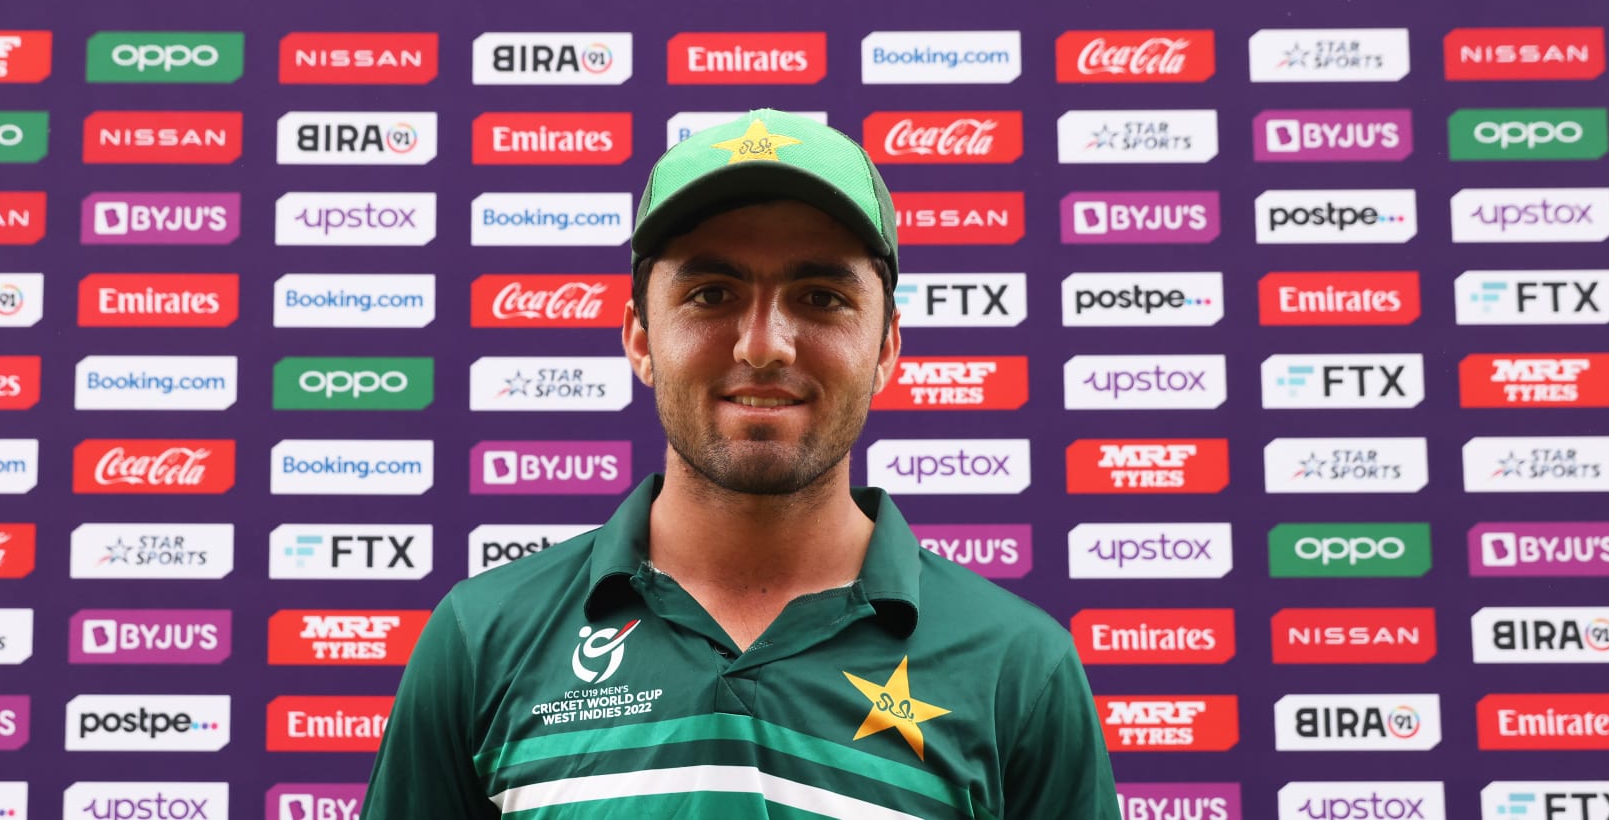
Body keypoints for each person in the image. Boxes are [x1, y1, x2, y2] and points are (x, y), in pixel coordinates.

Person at [361, 108, 1119, 819]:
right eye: (712, 293)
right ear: (638, 338)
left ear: (887, 346)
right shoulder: (483, 636)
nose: (764, 344)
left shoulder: (1019, 666)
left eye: (821, 297)